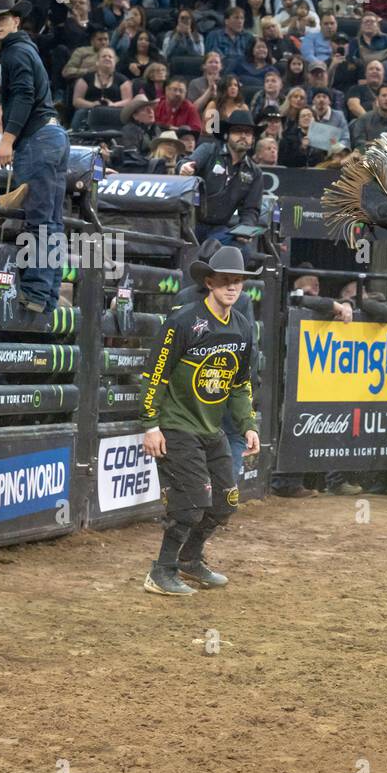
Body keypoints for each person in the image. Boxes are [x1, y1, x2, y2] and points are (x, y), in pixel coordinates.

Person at [139, 246, 261, 596]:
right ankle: (160, 571)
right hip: (177, 426)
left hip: (212, 428)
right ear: (209, 282)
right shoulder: (182, 321)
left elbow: (240, 385)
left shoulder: (242, 328)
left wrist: (247, 425)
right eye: (225, 281)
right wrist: (150, 425)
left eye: (237, 281)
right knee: (191, 503)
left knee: (226, 502)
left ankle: (190, 560)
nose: (232, 287)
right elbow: (156, 375)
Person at [0, 0, 70, 315]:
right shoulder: (24, 50)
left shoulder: (14, 53)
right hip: (53, 136)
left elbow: (25, 96)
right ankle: (49, 294)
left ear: (16, 19)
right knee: (52, 222)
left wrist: (7, 139)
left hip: (38, 139)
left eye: (1, 18)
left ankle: (35, 293)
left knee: (39, 222)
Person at [178, 109, 264, 248]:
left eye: (248, 133)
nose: (243, 136)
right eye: (237, 131)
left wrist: (246, 228)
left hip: (218, 229)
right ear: (227, 134)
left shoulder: (255, 173)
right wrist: (185, 167)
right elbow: (187, 163)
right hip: (191, 223)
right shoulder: (209, 150)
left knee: (242, 250)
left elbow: (251, 209)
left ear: (253, 139)